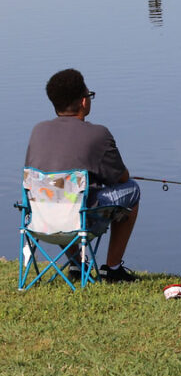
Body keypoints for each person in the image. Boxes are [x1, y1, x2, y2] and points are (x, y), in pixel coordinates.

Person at [25, 69, 140, 282]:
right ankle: (112, 268)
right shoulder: (98, 134)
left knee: (56, 195)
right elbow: (122, 178)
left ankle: (77, 265)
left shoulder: (37, 131)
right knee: (133, 190)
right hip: (81, 220)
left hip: (41, 222)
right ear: (83, 102)